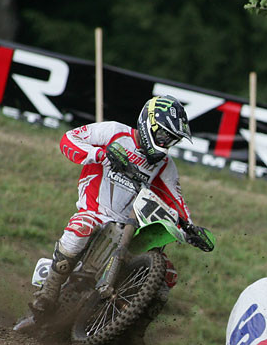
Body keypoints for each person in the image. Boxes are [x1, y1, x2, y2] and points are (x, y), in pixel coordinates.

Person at [29, 95, 214, 321]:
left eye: (172, 140)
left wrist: (191, 229)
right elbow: (68, 140)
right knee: (81, 226)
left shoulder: (164, 165)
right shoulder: (114, 132)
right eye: (164, 136)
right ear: (149, 124)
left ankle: (135, 328)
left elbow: (176, 201)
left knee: (168, 273)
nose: (166, 143)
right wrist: (101, 154)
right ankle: (49, 290)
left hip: (131, 225)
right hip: (96, 213)